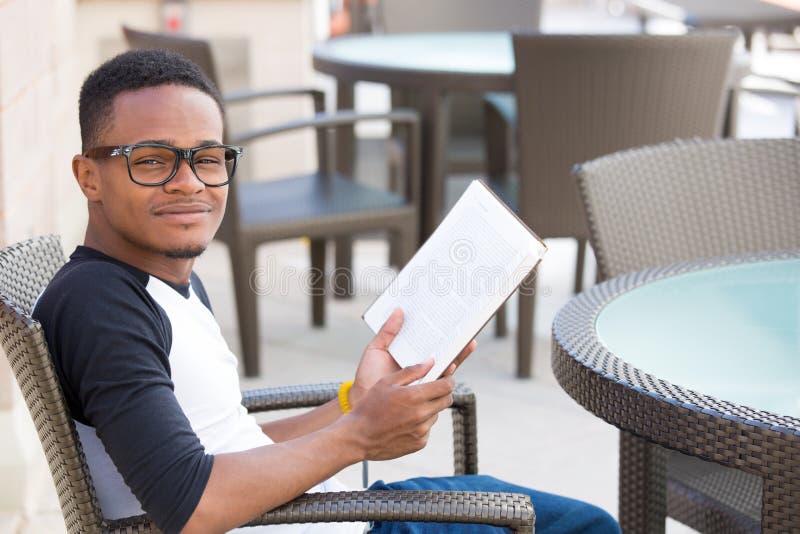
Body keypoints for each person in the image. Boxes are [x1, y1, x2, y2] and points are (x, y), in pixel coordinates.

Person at [33, 49, 620, 534]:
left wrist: (351, 404)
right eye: (152, 160)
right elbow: (191, 504)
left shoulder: (161, 282)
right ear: (89, 176)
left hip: (333, 512)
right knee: (584, 527)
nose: (189, 183)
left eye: (207, 159)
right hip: (339, 522)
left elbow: (229, 444)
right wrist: (360, 435)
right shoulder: (102, 306)